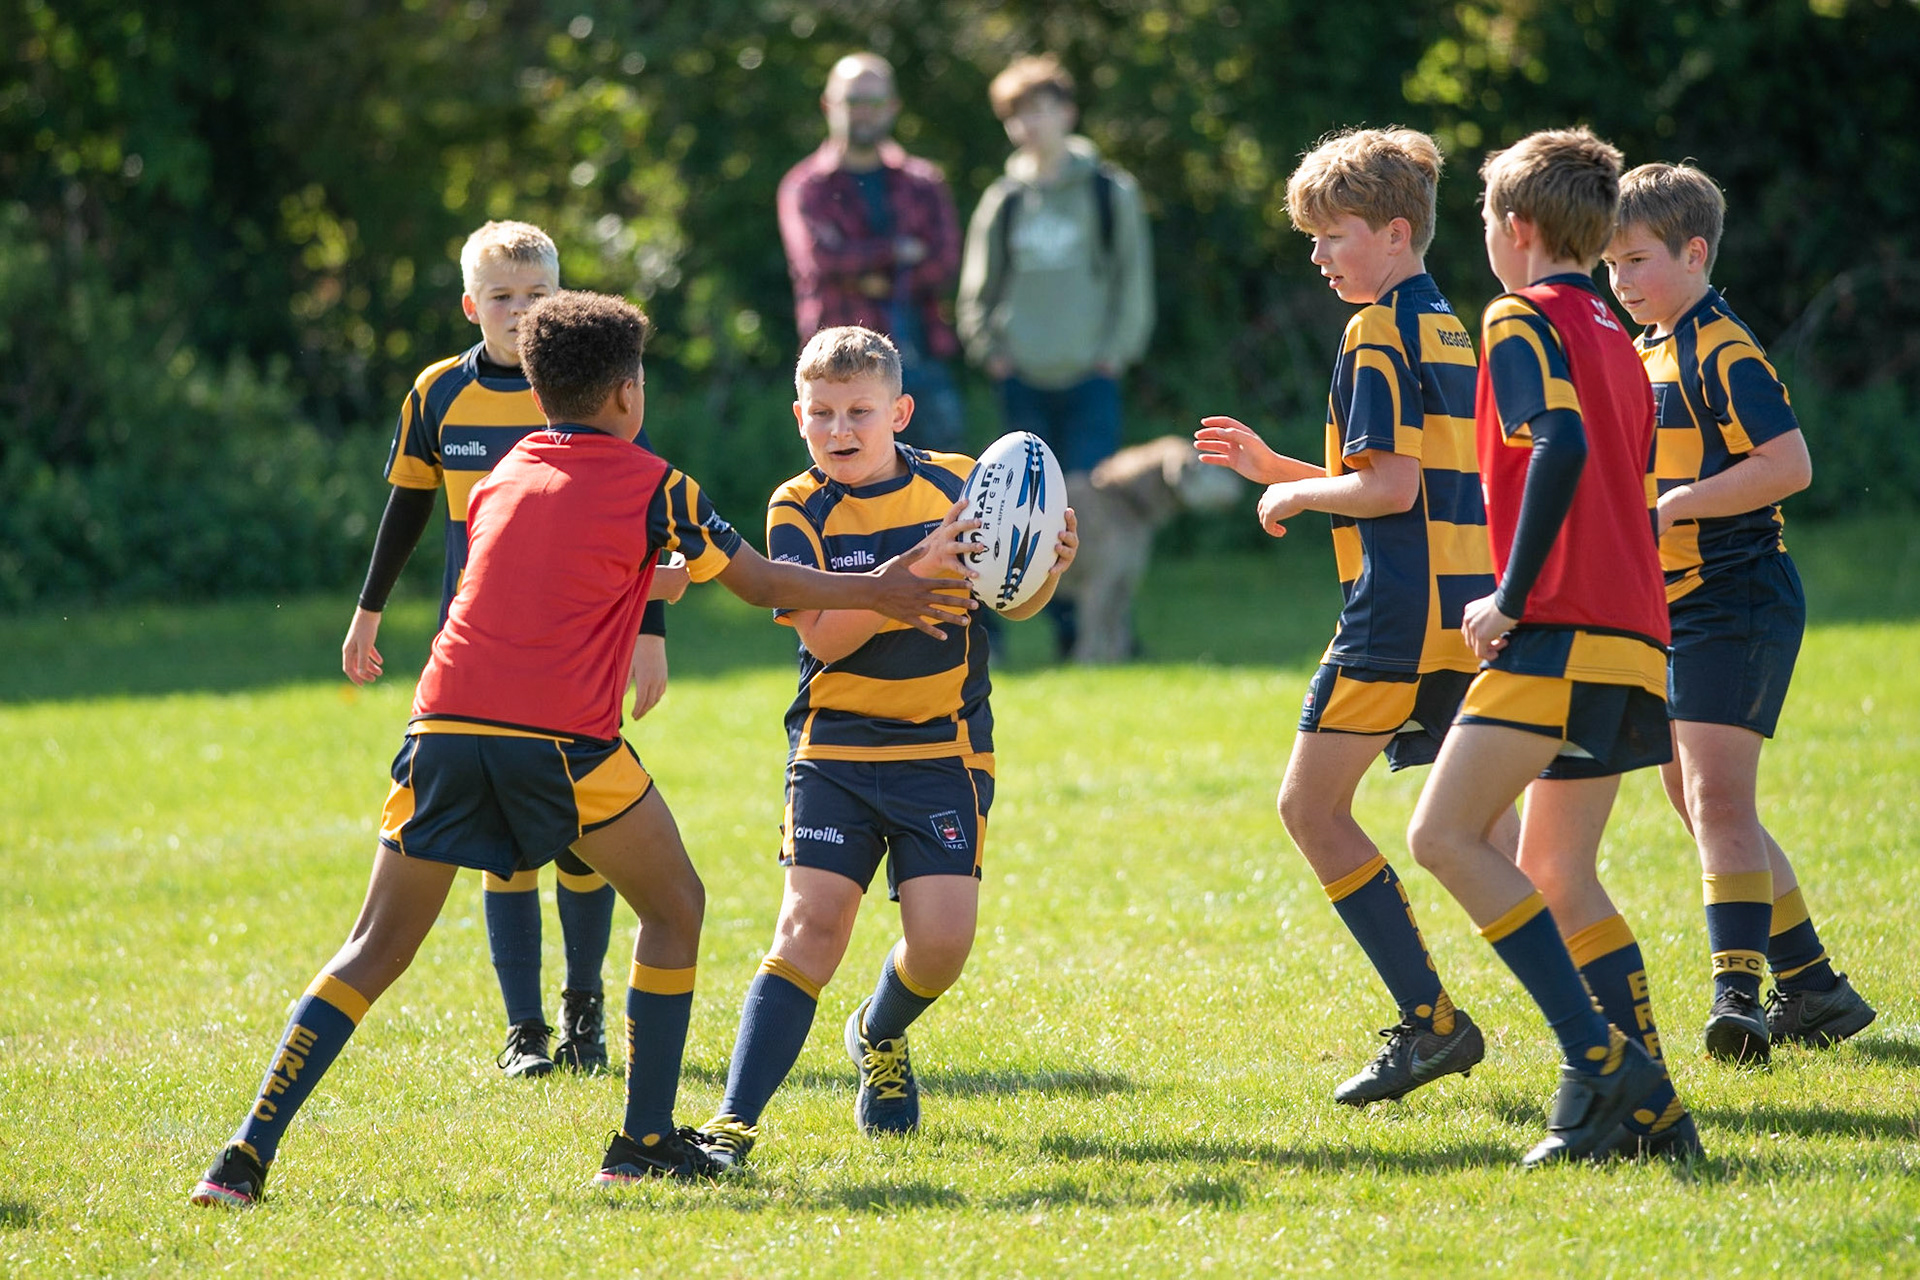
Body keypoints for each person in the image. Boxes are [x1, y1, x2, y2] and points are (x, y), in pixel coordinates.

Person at [189, 293, 977, 1204]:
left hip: (437, 728)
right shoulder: (657, 483)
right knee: (675, 905)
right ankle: (642, 1140)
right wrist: (882, 589)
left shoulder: (506, 471)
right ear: (628, 393)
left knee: (372, 949)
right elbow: (760, 582)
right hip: (561, 742)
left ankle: (242, 1157)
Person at [690, 326, 1077, 1169]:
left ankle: (878, 1031)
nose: (840, 430)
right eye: (822, 413)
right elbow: (822, 638)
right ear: (800, 418)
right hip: (835, 749)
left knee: (942, 945)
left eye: (859, 411)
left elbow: (1010, 604)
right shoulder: (797, 507)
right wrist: (905, 578)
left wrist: (1044, 567)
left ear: (899, 411)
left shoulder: (963, 485)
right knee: (810, 926)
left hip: (944, 752)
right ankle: (732, 1125)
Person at [1193, 129, 1499, 1107]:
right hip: (1466, 608)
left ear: (1396, 231)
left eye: (1334, 235)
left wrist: (1293, 499)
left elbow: (1386, 488)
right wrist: (1283, 469)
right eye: (1312, 238)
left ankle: (1432, 1020)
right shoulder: (1450, 324)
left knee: (1311, 808)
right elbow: (1419, 481)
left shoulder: (1375, 332)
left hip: (1396, 616)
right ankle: (1605, 1028)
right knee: (1493, 835)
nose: (1319, 255)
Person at [1404, 127, 1691, 1165]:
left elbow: (1559, 442)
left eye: (1486, 218)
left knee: (1441, 836)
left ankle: (1599, 1062)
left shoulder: (1520, 316)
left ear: (1516, 229)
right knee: (1557, 871)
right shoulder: (1618, 330)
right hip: (1634, 637)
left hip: (1560, 629)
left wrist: (1509, 596)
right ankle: (1652, 1107)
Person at [341, 220, 667, 1080]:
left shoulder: (576, 389)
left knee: (580, 839)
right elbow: (407, 507)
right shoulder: (437, 393)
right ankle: (525, 1029)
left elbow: (640, 521)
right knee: (501, 845)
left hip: (579, 649)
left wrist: (649, 636)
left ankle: (584, 1010)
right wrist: (368, 611)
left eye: (537, 298)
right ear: (469, 305)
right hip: (478, 651)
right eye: (502, 299)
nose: (521, 314)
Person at [1602, 162, 1875, 1061]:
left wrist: (1677, 504)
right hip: (1674, 605)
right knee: (1693, 795)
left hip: (1737, 596)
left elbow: (1788, 464)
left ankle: (1739, 998)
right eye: (1610, 264)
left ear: (1695, 252)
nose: (1622, 280)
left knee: (1716, 796)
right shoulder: (1650, 349)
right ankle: (1816, 989)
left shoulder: (1722, 346)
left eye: (1637, 260)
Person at [957, 53, 1152, 656]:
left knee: (1086, 512)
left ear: (1066, 112)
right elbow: (976, 290)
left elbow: (1133, 281)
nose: (1028, 126)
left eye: (1039, 110)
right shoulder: (1004, 199)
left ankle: (1093, 633)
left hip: (1091, 377)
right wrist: (992, 352)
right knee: (1012, 511)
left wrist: (1114, 353)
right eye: (1016, 116)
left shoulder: (1107, 191)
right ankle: (1014, 629)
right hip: (1022, 379)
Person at [777, 52, 966, 452]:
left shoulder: (924, 182)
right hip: (839, 374)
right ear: (829, 105)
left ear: (892, 107)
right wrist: (897, 251)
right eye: (853, 101)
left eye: (874, 102)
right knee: (850, 497)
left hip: (921, 364)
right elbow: (820, 260)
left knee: (939, 492)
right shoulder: (806, 185)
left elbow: (944, 264)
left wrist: (865, 269)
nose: (864, 112)